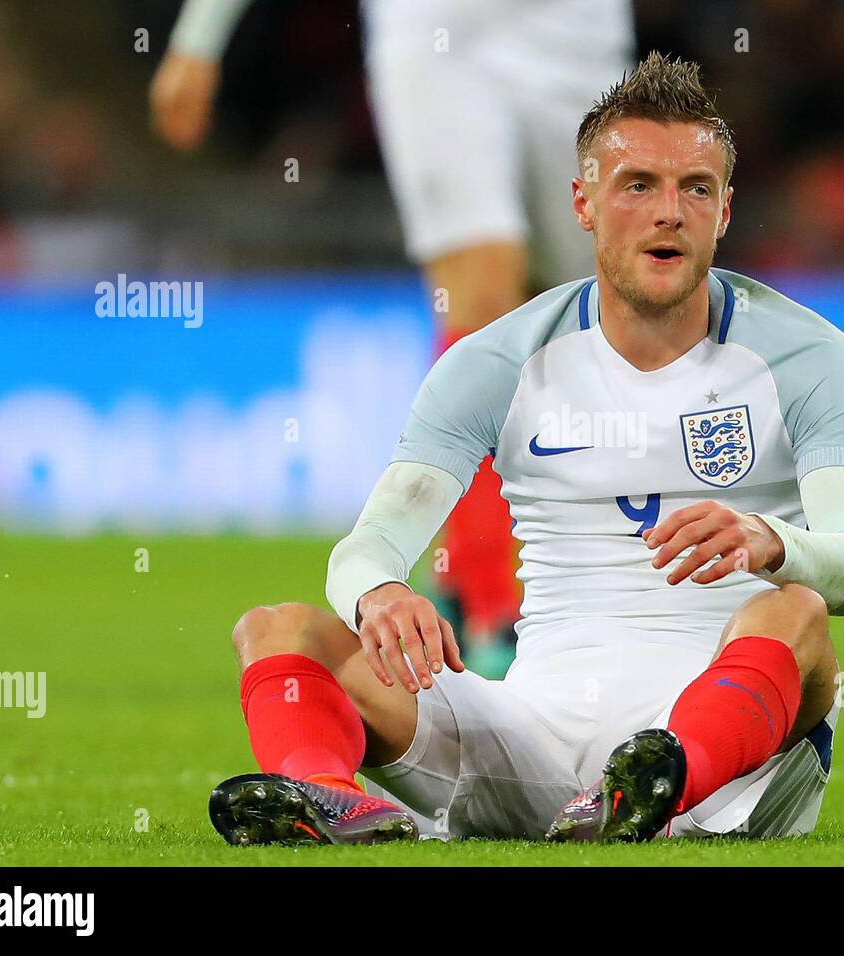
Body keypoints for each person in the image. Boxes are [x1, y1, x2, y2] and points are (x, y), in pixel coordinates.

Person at [208, 53, 844, 845]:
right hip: (533, 739)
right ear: (583, 202)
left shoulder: (807, 356)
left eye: (695, 188)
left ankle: (660, 777)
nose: (668, 212)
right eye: (637, 184)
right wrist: (380, 595)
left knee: (797, 611)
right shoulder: (497, 359)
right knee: (277, 629)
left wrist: (775, 541)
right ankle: (334, 806)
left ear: (726, 209)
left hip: (733, 759)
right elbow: (364, 550)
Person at [150, 0, 633, 675]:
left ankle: (577, 571)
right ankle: (486, 601)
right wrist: (200, 37)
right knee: (484, 290)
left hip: (574, 34)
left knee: (585, 299)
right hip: (435, 31)